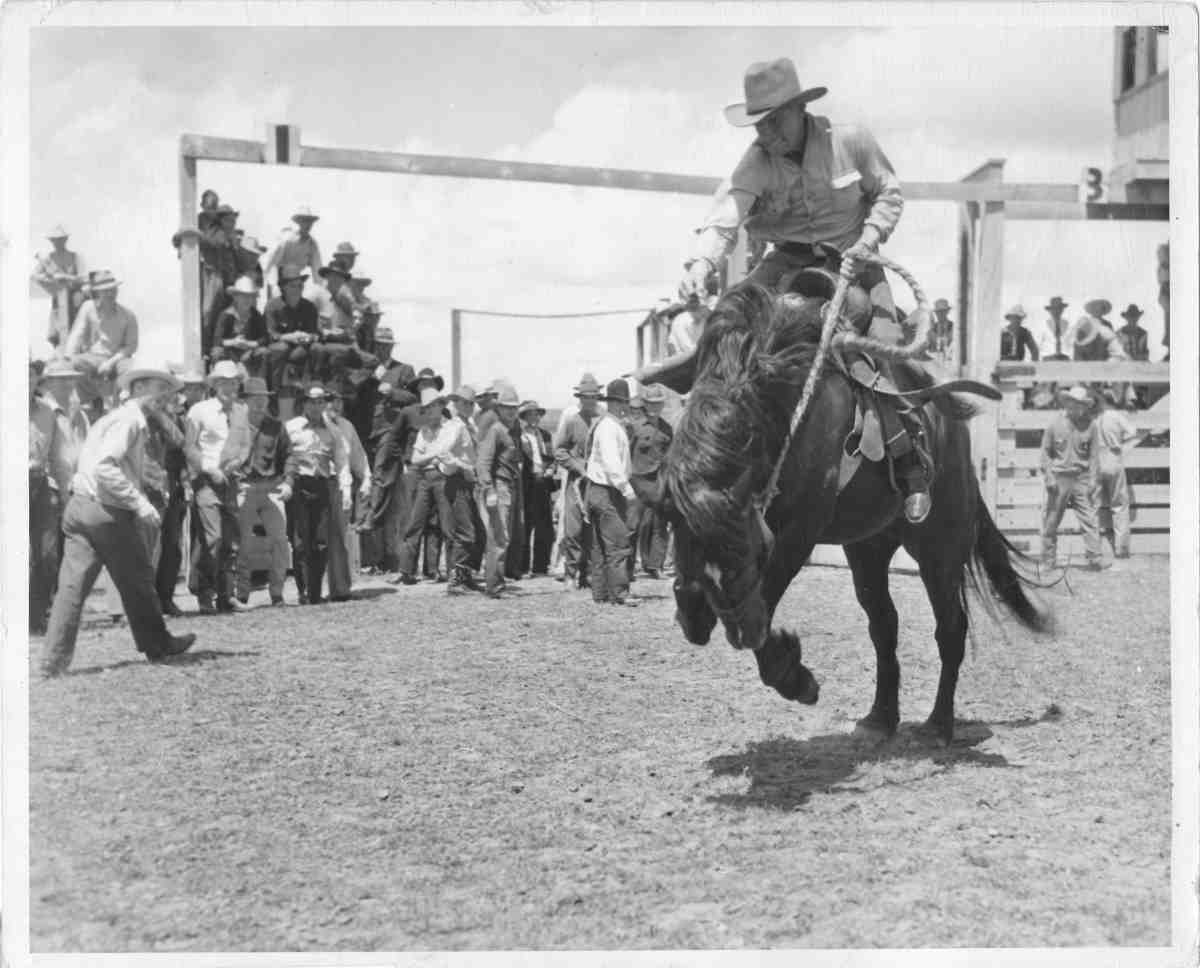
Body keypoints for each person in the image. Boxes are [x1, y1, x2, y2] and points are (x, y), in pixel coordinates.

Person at [679, 57, 931, 523]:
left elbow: (889, 194)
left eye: (774, 120)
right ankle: (709, 452)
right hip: (787, 260)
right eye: (759, 123)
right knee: (727, 326)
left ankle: (909, 461)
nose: (767, 133)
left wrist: (867, 242)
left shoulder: (850, 140)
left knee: (886, 349)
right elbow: (727, 213)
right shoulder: (756, 161)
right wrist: (701, 261)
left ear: (800, 110)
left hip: (856, 260)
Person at [39, 359, 197, 677]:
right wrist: (139, 503)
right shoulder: (131, 422)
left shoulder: (110, 419)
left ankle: (52, 661)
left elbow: (86, 461)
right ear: (137, 388)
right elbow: (105, 467)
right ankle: (159, 644)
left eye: (168, 390)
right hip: (108, 513)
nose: (166, 396)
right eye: (159, 389)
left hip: (81, 507)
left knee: (71, 588)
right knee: (138, 580)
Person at [394, 387, 477, 592]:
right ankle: (406, 571)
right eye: (426, 409)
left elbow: (441, 452)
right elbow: (415, 459)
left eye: (432, 407)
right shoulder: (424, 430)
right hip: (427, 477)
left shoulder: (452, 427)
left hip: (446, 478)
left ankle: (454, 574)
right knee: (416, 521)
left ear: (441, 406)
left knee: (450, 526)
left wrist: (429, 455)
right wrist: (433, 455)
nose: (429, 412)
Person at [185, 359, 252, 614]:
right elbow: (189, 447)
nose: (229, 387)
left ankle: (226, 595)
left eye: (233, 382)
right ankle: (204, 593)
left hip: (230, 479)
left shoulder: (241, 411)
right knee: (211, 538)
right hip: (206, 480)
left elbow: (245, 445)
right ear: (214, 385)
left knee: (231, 540)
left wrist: (235, 465)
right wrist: (209, 469)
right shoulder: (199, 411)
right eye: (223, 382)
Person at [280, 386, 351, 605]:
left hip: (322, 485)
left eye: (320, 402)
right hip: (298, 484)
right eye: (311, 402)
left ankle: (315, 591)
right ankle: (302, 590)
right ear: (304, 404)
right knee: (300, 541)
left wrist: (345, 488)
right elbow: (282, 453)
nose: (316, 406)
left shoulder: (332, 429)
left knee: (321, 541)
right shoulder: (291, 427)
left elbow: (341, 460)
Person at [234, 377, 290, 606]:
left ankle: (277, 593)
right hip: (244, 485)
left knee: (280, 540)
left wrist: (289, 482)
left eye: (264, 399)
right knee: (242, 543)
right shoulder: (235, 426)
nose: (260, 403)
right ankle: (242, 593)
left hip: (272, 487)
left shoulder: (276, 426)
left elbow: (290, 456)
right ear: (244, 401)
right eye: (255, 399)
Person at [29, 360, 76, 634]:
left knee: (47, 554)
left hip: (39, 483)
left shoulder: (48, 412)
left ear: (38, 379)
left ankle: (35, 617)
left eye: (30, 374)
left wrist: (67, 494)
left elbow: (58, 459)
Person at [584, 379, 639, 606]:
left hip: (597, 489)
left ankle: (601, 592)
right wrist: (627, 489)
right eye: (623, 402)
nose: (625, 406)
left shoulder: (607, 424)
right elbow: (611, 462)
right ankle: (619, 593)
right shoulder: (610, 427)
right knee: (617, 543)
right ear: (616, 403)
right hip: (608, 490)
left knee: (599, 545)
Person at [1039, 386, 1107, 571]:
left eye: (1081, 405)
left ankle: (1094, 558)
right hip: (1059, 478)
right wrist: (1049, 477)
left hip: (1082, 477)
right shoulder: (1054, 425)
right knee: (1051, 520)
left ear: (1085, 406)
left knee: (1089, 519)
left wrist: (1094, 480)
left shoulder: (1091, 426)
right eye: (1073, 404)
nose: (1076, 408)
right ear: (1067, 403)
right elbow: (1045, 453)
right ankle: (1047, 560)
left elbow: (1094, 456)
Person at [156, 369, 204, 616]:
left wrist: (186, 482)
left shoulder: (182, 416)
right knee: (155, 544)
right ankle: (152, 599)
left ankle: (165, 597)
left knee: (172, 543)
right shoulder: (153, 414)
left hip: (175, 482)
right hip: (154, 482)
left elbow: (185, 450)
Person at [324, 380, 373, 601]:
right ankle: (311, 590)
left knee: (340, 539)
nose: (335, 405)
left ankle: (340, 588)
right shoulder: (313, 424)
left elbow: (358, 457)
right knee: (311, 540)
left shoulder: (346, 426)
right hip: (316, 483)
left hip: (340, 485)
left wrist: (366, 479)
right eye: (330, 400)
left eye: (338, 401)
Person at [553, 372, 602, 588]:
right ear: (579, 398)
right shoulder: (573, 421)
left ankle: (589, 574)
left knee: (593, 529)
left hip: (598, 482)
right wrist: (578, 466)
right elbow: (560, 451)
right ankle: (570, 574)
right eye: (585, 396)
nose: (589, 400)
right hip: (577, 482)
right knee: (573, 528)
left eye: (593, 396)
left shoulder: (604, 421)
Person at [475, 385, 523, 597]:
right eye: (506, 408)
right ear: (499, 409)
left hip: (510, 485)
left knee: (504, 536)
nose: (511, 411)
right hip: (499, 485)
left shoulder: (513, 429)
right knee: (499, 537)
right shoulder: (496, 430)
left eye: (514, 408)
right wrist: (489, 489)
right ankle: (494, 586)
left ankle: (496, 583)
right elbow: (483, 463)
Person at [63, 269, 138, 387]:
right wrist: (68, 358)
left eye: (113, 290)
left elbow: (130, 347)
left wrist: (110, 363)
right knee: (74, 364)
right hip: (93, 357)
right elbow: (77, 334)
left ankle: (125, 400)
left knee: (133, 368)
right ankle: (90, 400)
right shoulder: (88, 307)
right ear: (98, 292)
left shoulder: (128, 315)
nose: (110, 294)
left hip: (118, 359)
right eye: (106, 291)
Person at [1092, 388, 1143, 560]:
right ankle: (1121, 549)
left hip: (1097, 459)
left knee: (1094, 505)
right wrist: (1121, 444)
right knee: (1119, 505)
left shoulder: (1095, 417)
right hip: (1113, 458)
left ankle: (1094, 548)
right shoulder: (1116, 416)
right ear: (1112, 401)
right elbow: (1134, 432)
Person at [629, 383, 673, 578]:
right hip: (637, 484)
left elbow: (671, 456)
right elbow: (625, 455)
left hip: (659, 483)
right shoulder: (634, 428)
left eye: (658, 404)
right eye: (651, 404)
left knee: (659, 525)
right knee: (633, 526)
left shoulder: (667, 428)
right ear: (644, 405)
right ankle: (628, 569)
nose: (655, 407)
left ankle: (655, 566)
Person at [264, 264, 320, 401]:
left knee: (318, 349)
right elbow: (269, 333)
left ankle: (314, 391)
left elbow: (314, 332)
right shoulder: (272, 306)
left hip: (301, 348)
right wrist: (288, 337)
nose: (298, 289)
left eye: (300, 286)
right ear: (283, 287)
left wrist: (307, 337)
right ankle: (273, 395)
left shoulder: (309, 307)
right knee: (280, 349)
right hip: (281, 346)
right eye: (293, 286)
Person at [517, 399, 556, 576]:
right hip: (526, 483)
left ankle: (541, 566)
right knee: (525, 524)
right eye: (530, 414)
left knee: (545, 525)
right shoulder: (518, 435)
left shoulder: (546, 435)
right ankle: (522, 565)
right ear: (524, 416)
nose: (534, 417)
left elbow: (552, 457)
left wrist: (551, 469)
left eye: (536, 414)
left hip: (543, 483)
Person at [32, 225, 87, 351]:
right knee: (57, 330)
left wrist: (66, 277)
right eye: (54, 240)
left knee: (77, 327)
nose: (57, 242)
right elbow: (35, 276)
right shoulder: (47, 259)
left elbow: (83, 277)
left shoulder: (75, 256)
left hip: (75, 298)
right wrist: (51, 280)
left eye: (60, 239)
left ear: (65, 239)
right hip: (59, 297)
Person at [211, 275, 269, 375]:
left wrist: (249, 344)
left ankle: (258, 385)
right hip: (229, 353)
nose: (247, 299)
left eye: (250, 296)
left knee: (264, 352)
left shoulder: (256, 316)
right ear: (235, 297)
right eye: (243, 296)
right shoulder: (226, 315)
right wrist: (234, 342)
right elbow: (217, 340)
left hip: (249, 354)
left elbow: (265, 338)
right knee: (217, 352)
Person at [263, 206, 323, 293]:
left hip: (297, 280)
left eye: (310, 221)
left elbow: (318, 271)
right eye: (304, 221)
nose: (308, 224)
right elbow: (271, 263)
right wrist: (272, 286)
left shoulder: (312, 244)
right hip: (280, 279)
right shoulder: (286, 239)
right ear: (298, 222)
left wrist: (321, 292)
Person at [1038, 296, 1073, 361]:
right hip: (1047, 358)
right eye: (1054, 309)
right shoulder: (1043, 324)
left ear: (1062, 310)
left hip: (1064, 359)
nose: (1056, 311)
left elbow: (1071, 343)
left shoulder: (1067, 324)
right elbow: (1037, 344)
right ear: (1050, 310)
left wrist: (1069, 356)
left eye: (1059, 308)